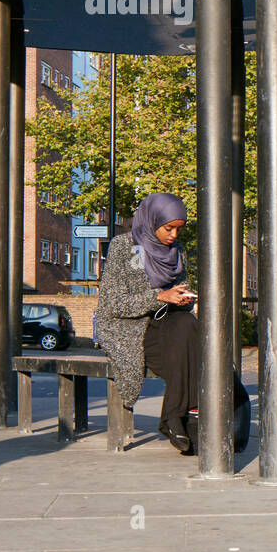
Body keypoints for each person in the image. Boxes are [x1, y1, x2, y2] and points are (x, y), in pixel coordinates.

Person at [95, 193, 200, 453]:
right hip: (131, 328)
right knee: (187, 348)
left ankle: (175, 417)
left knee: (190, 328)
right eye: (168, 228)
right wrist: (159, 296)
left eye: (178, 229)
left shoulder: (178, 252)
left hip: (170, 322)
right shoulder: (124, 246)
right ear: (152, 220)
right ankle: (177, 418)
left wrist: (183, 298)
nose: (174, 235)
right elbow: (114, 303)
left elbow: (177, 289)